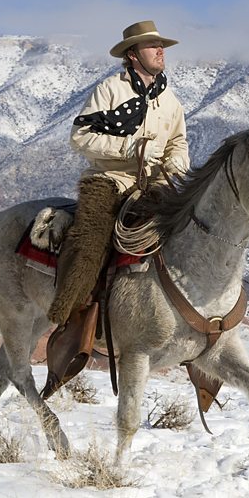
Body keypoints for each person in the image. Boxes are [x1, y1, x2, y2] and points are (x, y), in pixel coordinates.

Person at [47, 20, 189, 327]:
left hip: (156, 184)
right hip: (110, 179)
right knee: (91, 240)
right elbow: (81, 136)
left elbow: (178, 141)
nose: (160, 50)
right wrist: (130, 149)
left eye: (161, 45)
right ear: (134, 55)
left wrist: (177, 162)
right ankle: (68, 312)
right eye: (153, 46)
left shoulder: (170, 100)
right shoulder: (110, 90)